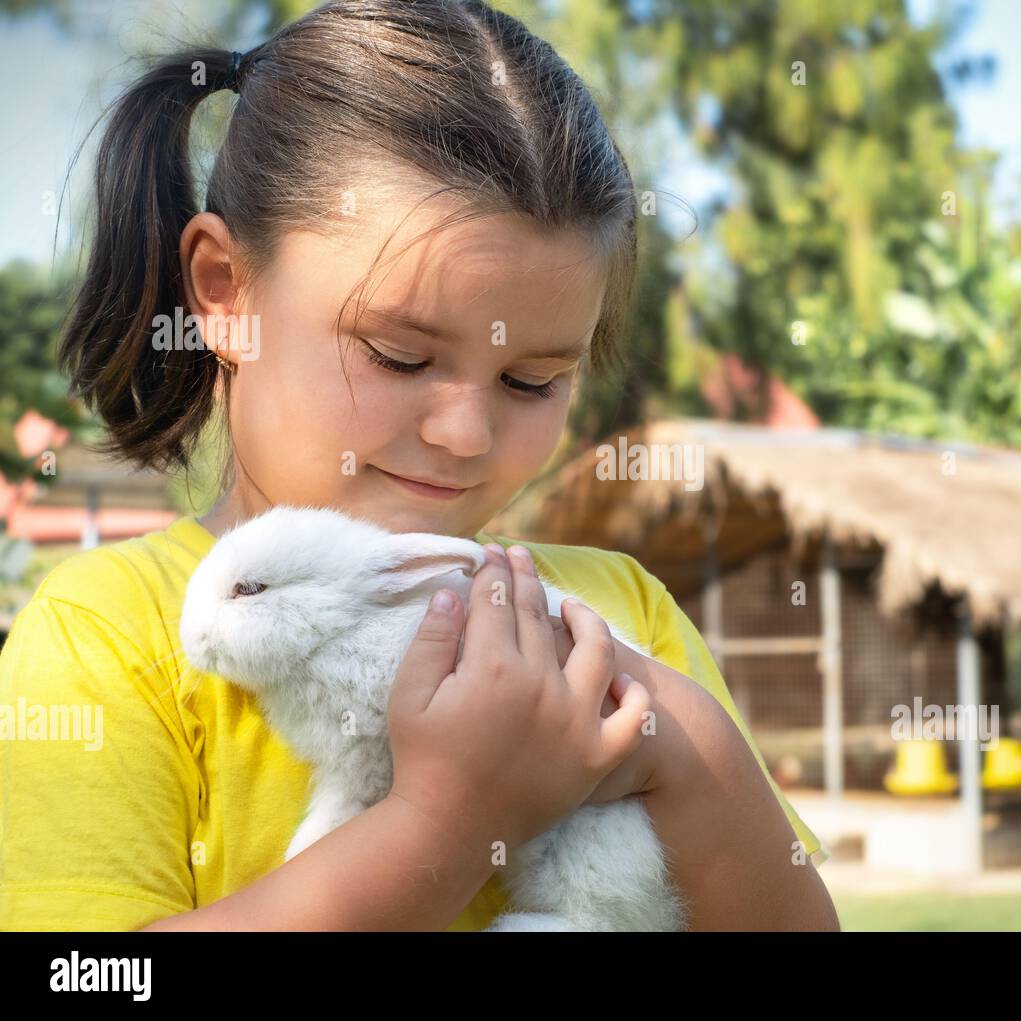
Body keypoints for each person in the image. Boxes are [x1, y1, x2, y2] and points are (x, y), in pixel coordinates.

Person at [0, 0, 836, 932]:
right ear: (225, 293)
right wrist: (446, 820)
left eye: (532, 378)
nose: (467, 432)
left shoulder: (620, 614)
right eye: (399, 356)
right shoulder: (105, 640)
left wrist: (670, 740)